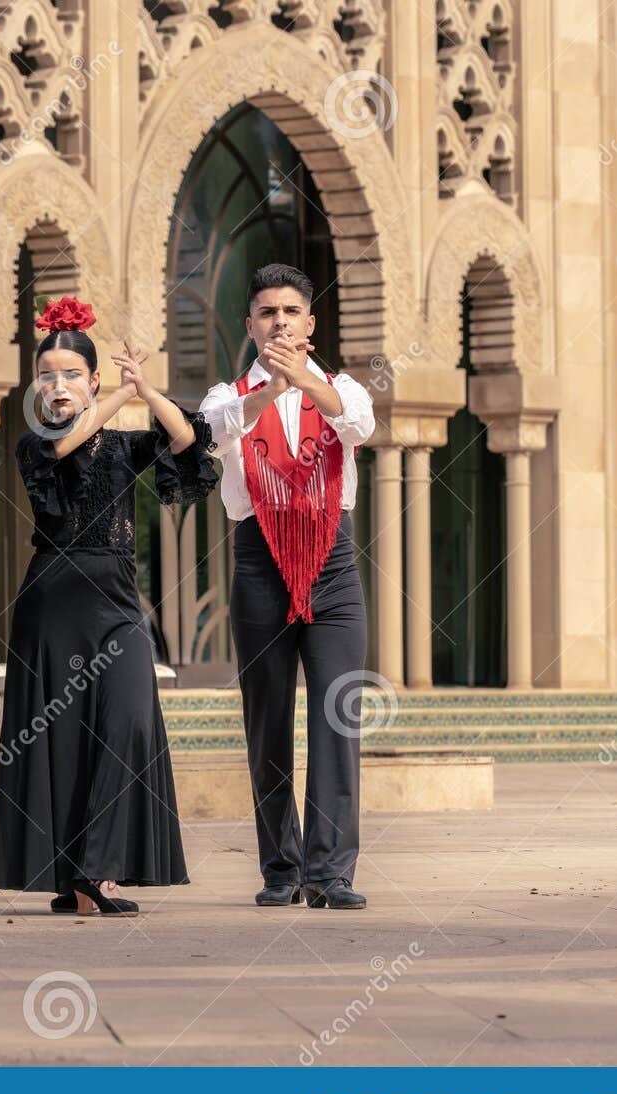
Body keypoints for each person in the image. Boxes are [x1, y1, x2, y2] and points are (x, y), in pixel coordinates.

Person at [0, 297, 217, 915]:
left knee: (131, 721)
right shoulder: (33, 445)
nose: (58, 386)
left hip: (116, 603)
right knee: (62, 738)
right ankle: (82, 880)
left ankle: (99, 867)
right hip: (51, 605)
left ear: (90, 380)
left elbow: (186, 440)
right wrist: (116, 397)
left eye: (72, 375)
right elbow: (67, 444)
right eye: (47, 376)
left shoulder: (121, 446)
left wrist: (146, 389)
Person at [198, 263, 376, 911]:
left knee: (337, 716)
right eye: (267, 312)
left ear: (309, 323)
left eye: (290, 311)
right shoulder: (228, 394)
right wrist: (269, 390)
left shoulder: (340, 387)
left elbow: (359, 426)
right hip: (260, 564)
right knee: (267, 719)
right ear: (249, 326)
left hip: (333, 566)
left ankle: (330, 872)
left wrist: (303, 382)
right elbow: (212, 436)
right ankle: (281, 867)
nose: (279, 322)